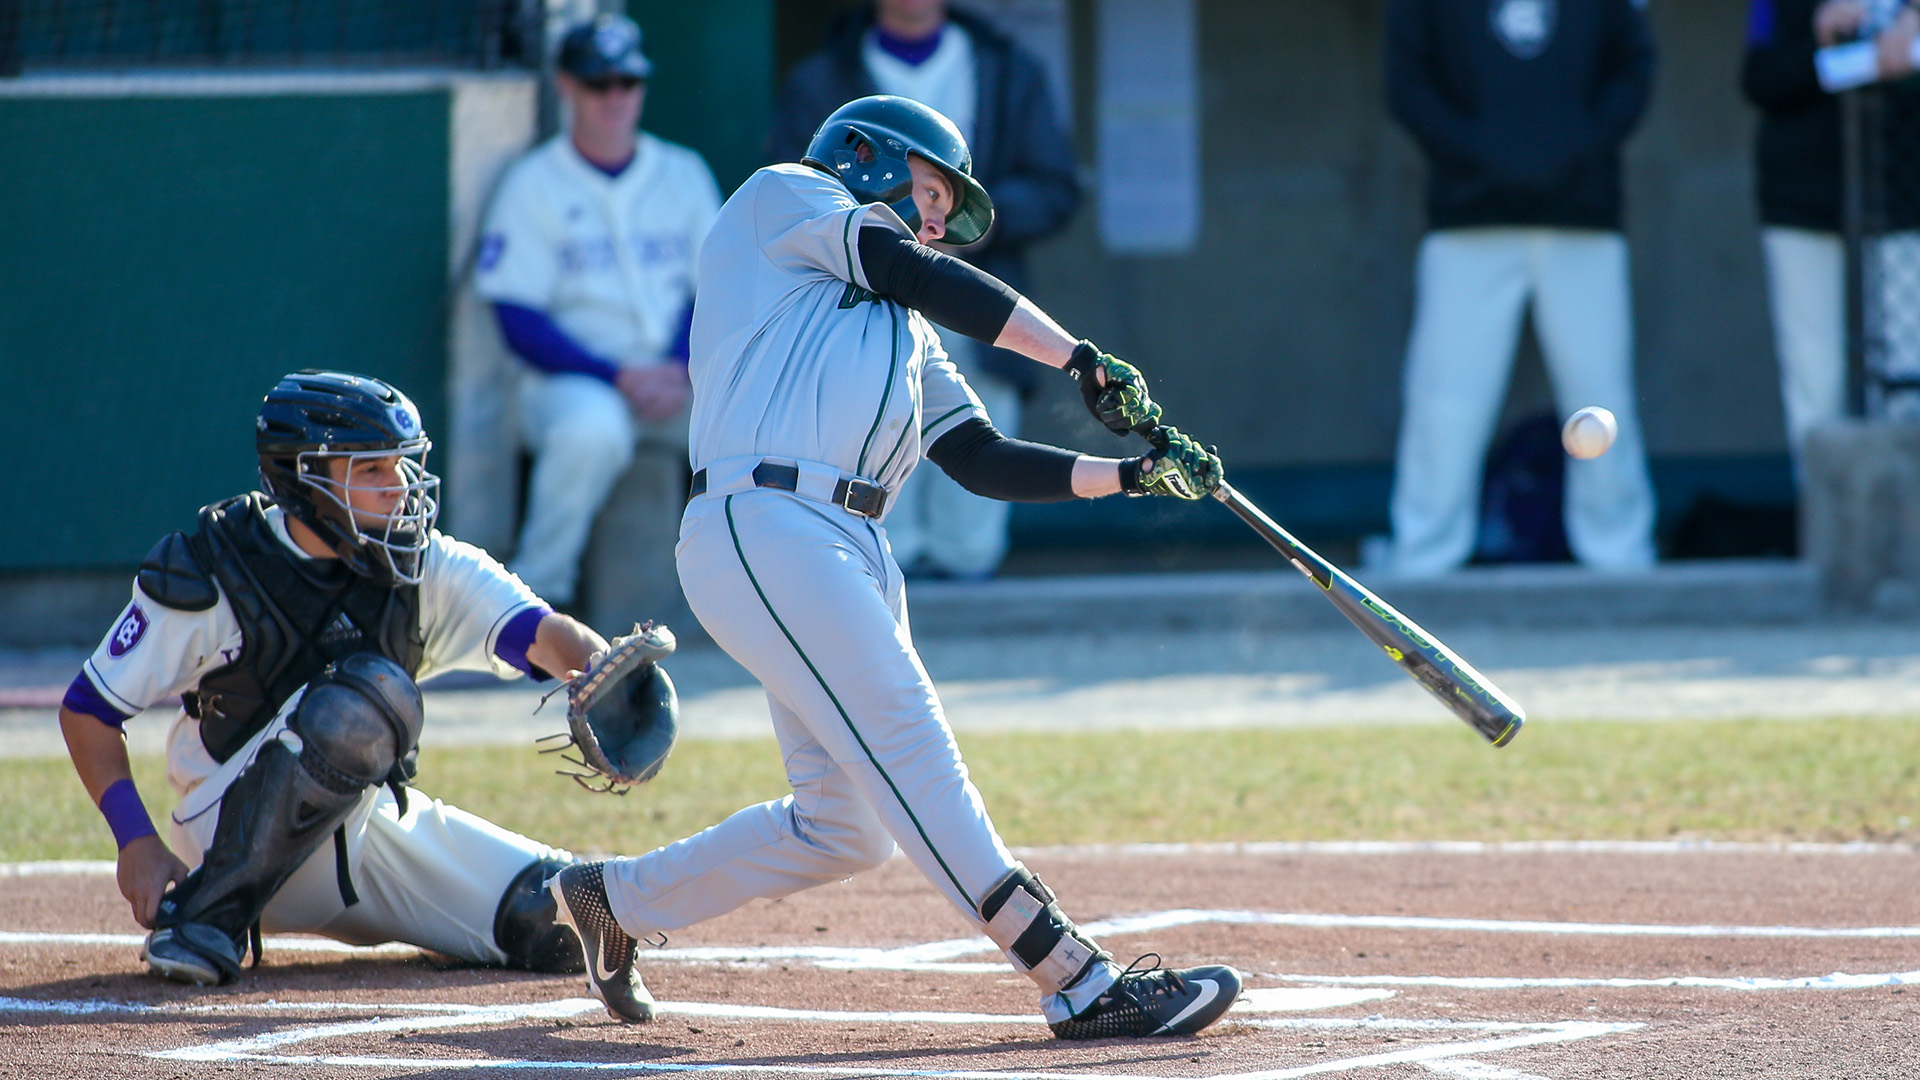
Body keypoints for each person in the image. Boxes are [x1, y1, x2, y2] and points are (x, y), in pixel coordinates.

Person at [544, 95, 1241, 1040]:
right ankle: (1072, 975)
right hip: (765, 519)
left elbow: (981, 458)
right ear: (866, 157)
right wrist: (1077, 356)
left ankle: (612, 900)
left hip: (851, 547)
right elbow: (896, 262)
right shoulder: (782, 198)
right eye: (928, 193)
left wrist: (1133, 476)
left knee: (846, 826)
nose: (936, 220)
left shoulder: (908, 334)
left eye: (946, 210)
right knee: (908, 732)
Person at [59, 370, 624, 986]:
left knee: (568, 916)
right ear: (304, 479)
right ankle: (207, 916)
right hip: (222, 831)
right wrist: (134, 839)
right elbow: (89, 709)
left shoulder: (425, 562)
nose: (400, 488)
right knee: (365, 698)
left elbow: (544, 633)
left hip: (364, 827)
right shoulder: (212, 570)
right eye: (372, 469)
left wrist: (608, 681)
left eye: (402, 466)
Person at [770, 0, 1081, 580]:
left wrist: (964, 230)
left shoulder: (1007, 66)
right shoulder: (825, 74)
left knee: (972, 525)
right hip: (860, 302)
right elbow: (795, 193)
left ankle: (971, 634)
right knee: (874, 506)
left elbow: (1055, 187)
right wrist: (891, 242)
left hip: (979, 297)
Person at [1383, 0, 1660, 577]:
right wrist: (1483, 155)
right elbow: (1407, 85)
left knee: (1600, 396)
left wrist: (1575, 146)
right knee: (1446, 400)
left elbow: (1634, 69)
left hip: (1582, 213)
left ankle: (1620, 557)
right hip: (1468, 214)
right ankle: (1423, 558)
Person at [477, 13, 722, 607]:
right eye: (598, 83)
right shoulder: (533, 183)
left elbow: (718, 288)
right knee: (591, 431)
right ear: (565, 85)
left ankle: (766, 593)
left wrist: (680, 365)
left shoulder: (683, 172)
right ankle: (534, 598)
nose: (615, 97)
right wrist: (619, 376)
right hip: (572, 381)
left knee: (765, 424)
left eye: (627, 82)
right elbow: (517, 319)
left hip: (676, 375)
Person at [1744, 0, 1920, 469]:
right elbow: (1760, 80)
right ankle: (1825, 526)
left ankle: (1909, 527)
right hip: (1803, 199)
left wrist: (1909, 41)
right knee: (1813, 375)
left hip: (1903, 199)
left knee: (1908, 376)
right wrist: (1821, 40)